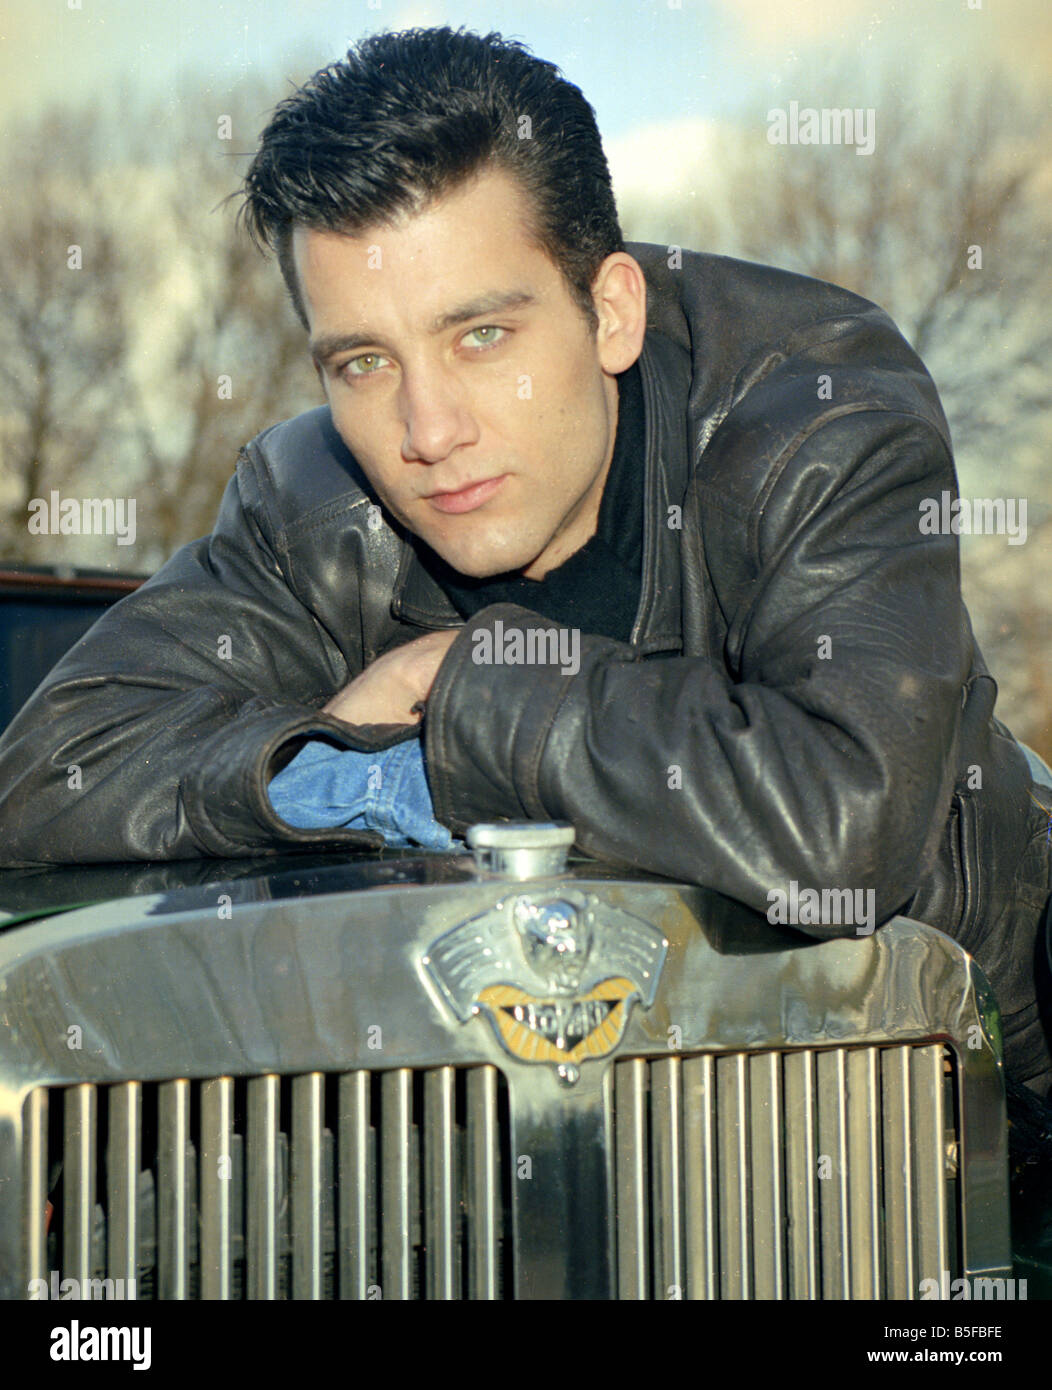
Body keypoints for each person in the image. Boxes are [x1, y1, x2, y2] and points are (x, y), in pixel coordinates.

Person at [0, 25, 1049, 1102]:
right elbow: (47, 774)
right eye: (363, 361)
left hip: (967, 1123)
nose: (426, 427)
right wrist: (374, 778)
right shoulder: (316, 506)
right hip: (502, 1141)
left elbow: (841, 824)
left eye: (481, 336)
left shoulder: (815, 415)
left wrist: (468, 688)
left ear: (611, 312)